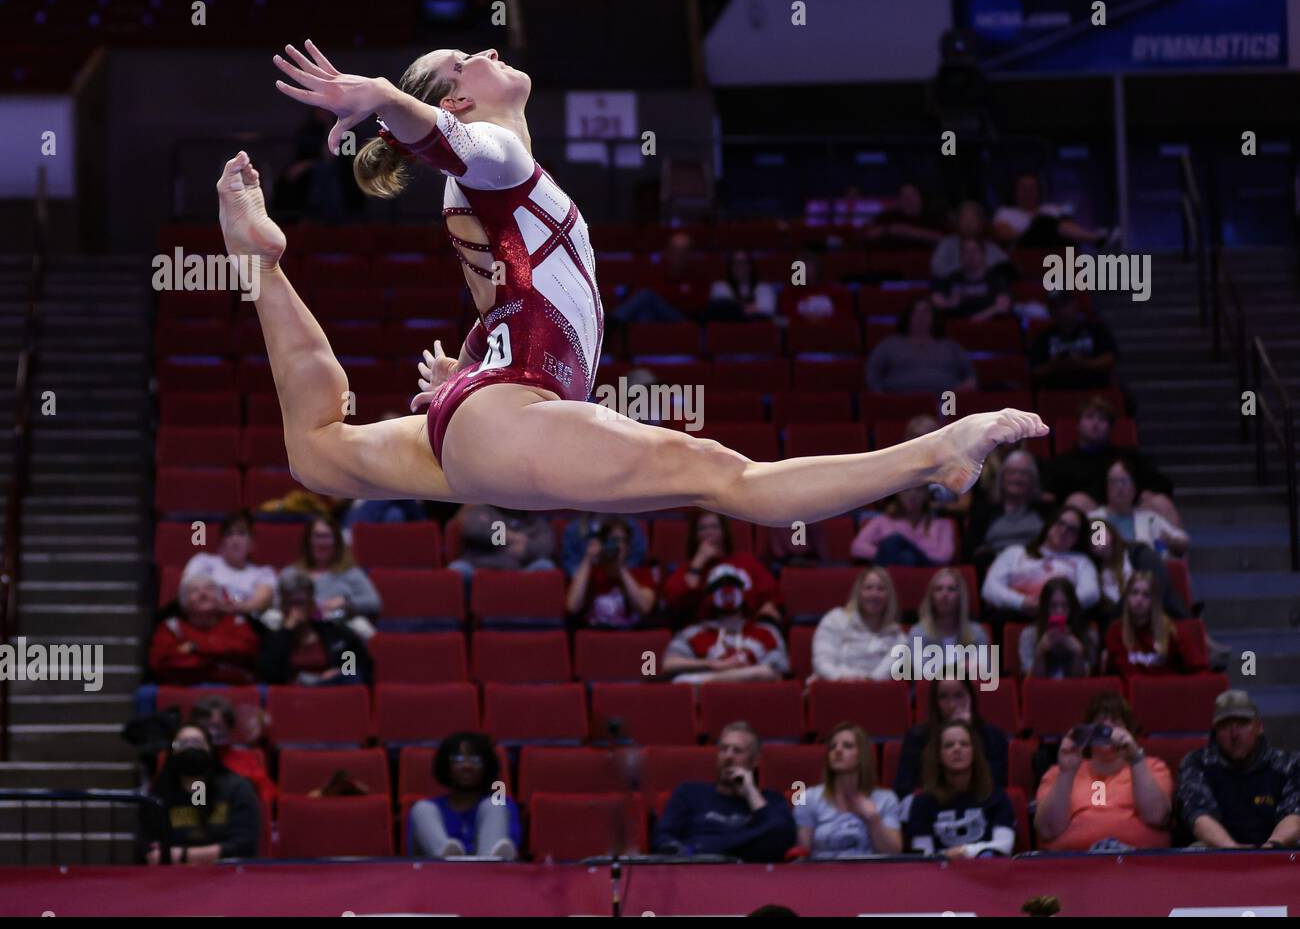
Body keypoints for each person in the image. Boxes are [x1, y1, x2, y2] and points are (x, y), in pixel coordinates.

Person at [219, 44, 1045, 542]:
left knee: (318, 449)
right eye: (463, 63)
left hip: (491, 413)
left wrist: (467, 371)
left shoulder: (481, 183)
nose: (485, 55)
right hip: (509, 416)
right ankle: (935, 455)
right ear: (459, 101)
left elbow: (512, 303)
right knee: (721, 475)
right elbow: (443, 139)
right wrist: (384, 101)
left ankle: (262, 268)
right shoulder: (499, 159)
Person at [1033, 692, 1173, 851]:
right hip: (1073, 864)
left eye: (1115, 723)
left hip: (1137, 863)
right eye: (1099, 725)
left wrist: (1135, 758)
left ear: (1129, 731)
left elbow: (1156, 817)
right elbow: (1047, 830)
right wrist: (1067, 772)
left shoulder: (1152, 767)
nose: (1107, 730)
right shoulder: (1058, 773)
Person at [653, 722, 797, 862]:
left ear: (755, 761)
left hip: (749, 877)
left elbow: (783, 836)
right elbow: (663, 838)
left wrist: (751, 792)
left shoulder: (771, 801)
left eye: (737, 751)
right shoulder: (689, 793)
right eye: (723, 749)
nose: (728, 756)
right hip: (697, 872)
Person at [1177, 690, 1300, 849]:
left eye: (1243, 723)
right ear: (1215, 731)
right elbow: (1198, 816)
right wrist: (1234, 851)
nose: (1234, 734)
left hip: (1274, 849)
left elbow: (1295, 814)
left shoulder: (1288, 764)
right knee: (1196, 848)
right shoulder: (1197, 763)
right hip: (1217, 852)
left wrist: (1271, 846)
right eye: (1225, 726)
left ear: (1259, 726)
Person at [1040, 397, 1180, 528]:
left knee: (1161, 502)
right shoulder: (1063, 463)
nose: (1095, 423)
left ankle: (1176, 552)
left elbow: (1163, 484)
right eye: (1090, 417)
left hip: (1131, 519)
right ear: (1079, 424)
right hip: (1094, 528)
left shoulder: (1127, 457)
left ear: (1110, 427)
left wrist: (1148, 493)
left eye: (1102, 419)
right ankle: (1098, 553)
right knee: (1077, 503)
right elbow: (1049, 499)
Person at [141, 723, 260, 864]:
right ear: (172, 752)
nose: (191, 747)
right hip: (173, 879)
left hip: (226, 876)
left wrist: (181, 856)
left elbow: (244, 846)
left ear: (210, 749)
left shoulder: (238, 788)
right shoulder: (158, 795)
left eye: (197, 742)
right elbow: (148, 850)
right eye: (183, 743)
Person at [903, 720, 1016, 857]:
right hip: (940, 875)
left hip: (987, 872)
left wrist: (965, 852)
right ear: (938, 755)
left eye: (964, 744)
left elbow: (1004, 846)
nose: (957, 749)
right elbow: (923, 855)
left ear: (974, 752)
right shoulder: (922, 803)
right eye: (949, 745)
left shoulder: (997, 797)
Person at [662, 566, 789, 684]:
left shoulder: (767, 632)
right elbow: (669, 664)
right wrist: (712, 664)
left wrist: (707, 677)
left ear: (743, 593)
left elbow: (774, 674)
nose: (727, 591)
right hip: (711, 702)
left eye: (733, 585)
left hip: (755, 700)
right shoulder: (692, 633)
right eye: (719, 587)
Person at [794, 723, 903, 857]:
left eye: (848, 746)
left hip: (871, 874)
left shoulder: (886, 799)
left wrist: (874, 820)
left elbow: (894, 853)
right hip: (824, 874)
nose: (838, 750)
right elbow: (801, 857)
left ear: (862, 755)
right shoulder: (807, 798)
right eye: (832, 747)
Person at [408, 732, 521, 859]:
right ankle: (446, 856)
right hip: (438, 874)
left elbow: (514, 846)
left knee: (494, 805)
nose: (467, 766)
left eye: (475, 760)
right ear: (446, 766)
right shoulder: (432, 809)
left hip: (487, 875)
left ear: (486, 767)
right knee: (422, 808)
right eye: (458, 760)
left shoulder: (501, 805)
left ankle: (491, 859)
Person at [662, 510, 781, 629]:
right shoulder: (689, 569)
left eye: (714, 527)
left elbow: (771, 595)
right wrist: (698, 562)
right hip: (705, 633)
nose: (709, 533)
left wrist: (768, 608)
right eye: (702, 528)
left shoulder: (746, 562)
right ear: (695, 535)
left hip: (746, 631)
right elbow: (675, 599)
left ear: (724, 532)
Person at [894, 678, 1009, 798]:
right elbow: (904, 787)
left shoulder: (992, 736)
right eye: (943, 697)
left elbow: (996, 782)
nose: (952, 705)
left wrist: (968, 733)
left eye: (959, 696)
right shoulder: (917, 737)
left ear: (971, 698)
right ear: (935, 702)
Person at [981, 505, 1100, 620]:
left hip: (1061, 622)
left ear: (1078, 538)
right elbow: (990, 588)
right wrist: (1021, 602)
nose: (1064, 530)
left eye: (1072, 529)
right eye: (1060, 523)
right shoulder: (1015, 552)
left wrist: (1054, 605)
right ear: (1050, 524)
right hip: (1015, 617)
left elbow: (1091, 593)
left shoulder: (1081, 561)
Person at [259, 569, 373, 685]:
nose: (295, 609)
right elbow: (270, 674)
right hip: (293, 696)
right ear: (282, 606)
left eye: (300, 602)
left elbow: (355, 662)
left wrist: (340, 671)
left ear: (312, 604)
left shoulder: (336, 634)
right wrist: (287, 631)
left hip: (331, 692)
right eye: (290, 603)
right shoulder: (273, 638)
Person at [147, 574, 261, 685]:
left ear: (220, 597)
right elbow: (160, 663)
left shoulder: (237, 622)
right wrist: (217, 659)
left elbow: (248, 653)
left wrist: (194, 647)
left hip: (235, 690)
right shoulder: (171, 627)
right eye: (194, 590)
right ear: (183, 601)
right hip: (185, 691)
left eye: (209, 588)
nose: (203, 594)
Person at [284, 515, 382, 638]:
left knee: (360, 626)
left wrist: (345, 602)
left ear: (337, 541)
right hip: (299, 628)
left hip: (338, 628)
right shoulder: (291, 573)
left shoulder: (350, 573)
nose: (322, 542)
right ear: (308, 540)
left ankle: (351, 658)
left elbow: (374, 602)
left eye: (327, 536)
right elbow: (279, 602)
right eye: (317, 536)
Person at [808, 567, 908, 682]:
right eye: (868, 588)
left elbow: (883, 674)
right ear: (858, 592)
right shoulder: (835, 619)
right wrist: (842, 678)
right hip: (833, 686)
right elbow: (822, 662)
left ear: (889, 596)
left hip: (873, 692)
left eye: (881, 589)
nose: (874, 594)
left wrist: (865, 682)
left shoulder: (898, 636)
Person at [1103, 571, 1207, 678]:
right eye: (1134, 593)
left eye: (1146, 595)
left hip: (1169, 691)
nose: (1139, 599)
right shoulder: (1116, 631)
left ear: (1154, 600)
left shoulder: (1172, 630)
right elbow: (1121, 674)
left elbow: (1199, 669)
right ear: (1127, 598)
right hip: (1135, 692)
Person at [866, 297, 976, 395]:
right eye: (915, 312)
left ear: (934, 317)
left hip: (946, 404)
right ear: (908, 316)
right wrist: (884, 401)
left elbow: (970, 378)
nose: (920, 316)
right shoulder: (889, 345)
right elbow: (872, 374)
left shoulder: (951, 347)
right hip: (899, 402)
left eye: (925, 312)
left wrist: (964, 388)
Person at [565, 517, 660, 628]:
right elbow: (572, 606)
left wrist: (620, 568)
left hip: (629, 637)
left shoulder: (642, 572)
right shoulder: (591, 574)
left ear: (628, 546)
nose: (618, 545)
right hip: (596, 637)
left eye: (622, 540)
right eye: (612, 540)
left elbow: (645, 607)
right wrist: (588, 558)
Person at [178, 509, 276, 617]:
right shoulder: (203, 562)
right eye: (229, 534)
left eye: (241, 533)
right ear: (222, 542)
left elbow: (260, 602)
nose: (235, 540)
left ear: (251, 543)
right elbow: (187, 595)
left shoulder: (263, 573)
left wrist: (232, 607)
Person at [962, 449, 1048, 569]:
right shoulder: (984, 513)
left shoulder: (1045, 512)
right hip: (996, 569)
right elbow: (970, 551)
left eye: (1024, 473)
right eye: (1012, 472)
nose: (1017, 478)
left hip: (1037, 567)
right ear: (1002, 478)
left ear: (1033, 480)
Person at [188, 694, 275, 810]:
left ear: (229, 728)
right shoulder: (180, 759)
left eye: (216, 727)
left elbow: (268, 795)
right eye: (203, 727)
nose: (209, 733)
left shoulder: (246, 760)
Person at [1089, 459, 1189, 557]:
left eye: (1124, 481)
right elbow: (1099, 551)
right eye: (1114, 481)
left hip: (1144, 571)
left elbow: (1180, 538)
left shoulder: (1149, 519)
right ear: (1107, 487)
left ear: (1134, 488)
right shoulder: (1096, 520)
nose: (1119, 487)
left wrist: (1172, 542)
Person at [991, 172, 1111, 249]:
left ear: (1038, 191)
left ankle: (1096, 239)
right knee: (1044, 222)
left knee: (1055, 219)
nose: (1028, 193)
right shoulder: (1005, 212)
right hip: (1026, 249)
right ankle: (1097, 239)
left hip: (1057, 249)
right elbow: (1005, 235)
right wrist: (1036, 227)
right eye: (1024, 188)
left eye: (1032, 188)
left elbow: (1069, 228)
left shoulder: (1051, 208)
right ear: (1015, 191)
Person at [1029, 292, 1118, 392]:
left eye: (1064, 305)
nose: (1060, 311)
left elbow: (1110, 359)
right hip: (1056, 395)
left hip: (1095, 392)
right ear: (1050, 311)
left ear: (1075, 305)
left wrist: (1082, 362)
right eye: (1055, 307)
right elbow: (1034, 371)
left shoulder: (1096, 329)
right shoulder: (1043, 338)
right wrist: (1053, 366)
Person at [446, 503, 557, 582]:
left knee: (545, 566)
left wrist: (527, 548)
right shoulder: (483, 510)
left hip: (519, 570)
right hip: (479, 566)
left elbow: (547, 545)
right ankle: (468, 612)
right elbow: (473, 528)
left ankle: (533, 613)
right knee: (458, 569)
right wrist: (511, 537)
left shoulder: (535, 520)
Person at [850, 484, 955, 567]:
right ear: (897, 494)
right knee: (897, 546)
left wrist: (913, 550)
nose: (913, 495)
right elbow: (857, 547)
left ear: (927, 493)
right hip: (890, 576)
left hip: (927, 573)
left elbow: (944, 556)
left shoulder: (942, 524)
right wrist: (889, 553)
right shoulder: (883, 521)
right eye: (906, 490)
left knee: (903, 550)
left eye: (918, 489)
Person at [1018, 577, 1097, 678]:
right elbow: (1032, 685)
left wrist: (1078, 653)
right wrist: (1040, 653)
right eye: (1053, 606)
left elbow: (1081, 683)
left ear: (1073, 607)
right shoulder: (1029, 636)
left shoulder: (1089, 635)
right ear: (1045, 608)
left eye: (1065, 605)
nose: (1059, 612)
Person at [931, 237, 1013, 322]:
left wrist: (975, 320)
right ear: (961, 256)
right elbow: (935, 299)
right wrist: (948, 303)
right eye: (966, 252)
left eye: (974, 251)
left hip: (987, 327)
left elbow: (1004, 305)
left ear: (983, 254)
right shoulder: (952, 278)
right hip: (956, 328)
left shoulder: (995, 279)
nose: (970, 255)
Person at [930, 200, 1010, 282]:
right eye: (964, 219)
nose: (969, 224)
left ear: (981, 224)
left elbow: (1005, 269)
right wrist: (966, 268)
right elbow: (937, 270)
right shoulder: (946, 245)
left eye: (973, 219)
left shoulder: (991, 248)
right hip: (954, 290)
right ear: (957, 223)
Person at [909, 567, 989, 648]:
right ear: (931, 597)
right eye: (938, 589)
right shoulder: (918, 634)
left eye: (951, 589)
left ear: (960, 597)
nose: (944, 594)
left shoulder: (977, 634)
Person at [560, 512, 648, 577]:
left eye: (617, 540)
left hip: (622, 580)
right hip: (588, 583)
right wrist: (588, 559)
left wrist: (617, 567)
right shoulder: (574, 529)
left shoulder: (630, 526)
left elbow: (637, 560)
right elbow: (571, 566)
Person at [865, 182, 947, 249]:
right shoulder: (889, 217)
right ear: (899, 200)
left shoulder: (933, 217)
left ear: (921, 198)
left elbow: (945, 240)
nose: (908, 200)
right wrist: (888, 229)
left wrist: (908, 231)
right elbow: (869, 235)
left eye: (912, 195)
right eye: (904, 196)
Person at [703, 250, 777, 321]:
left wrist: (736, 309)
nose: (739, 267)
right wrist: (750, 308)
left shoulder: (764, 288)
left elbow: (767, 309)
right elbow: (720, 311)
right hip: (727, 331)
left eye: (743, 263)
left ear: (750, 266)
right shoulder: (720, 287)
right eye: (735, 263)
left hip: (756, 330)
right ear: (730, 267)